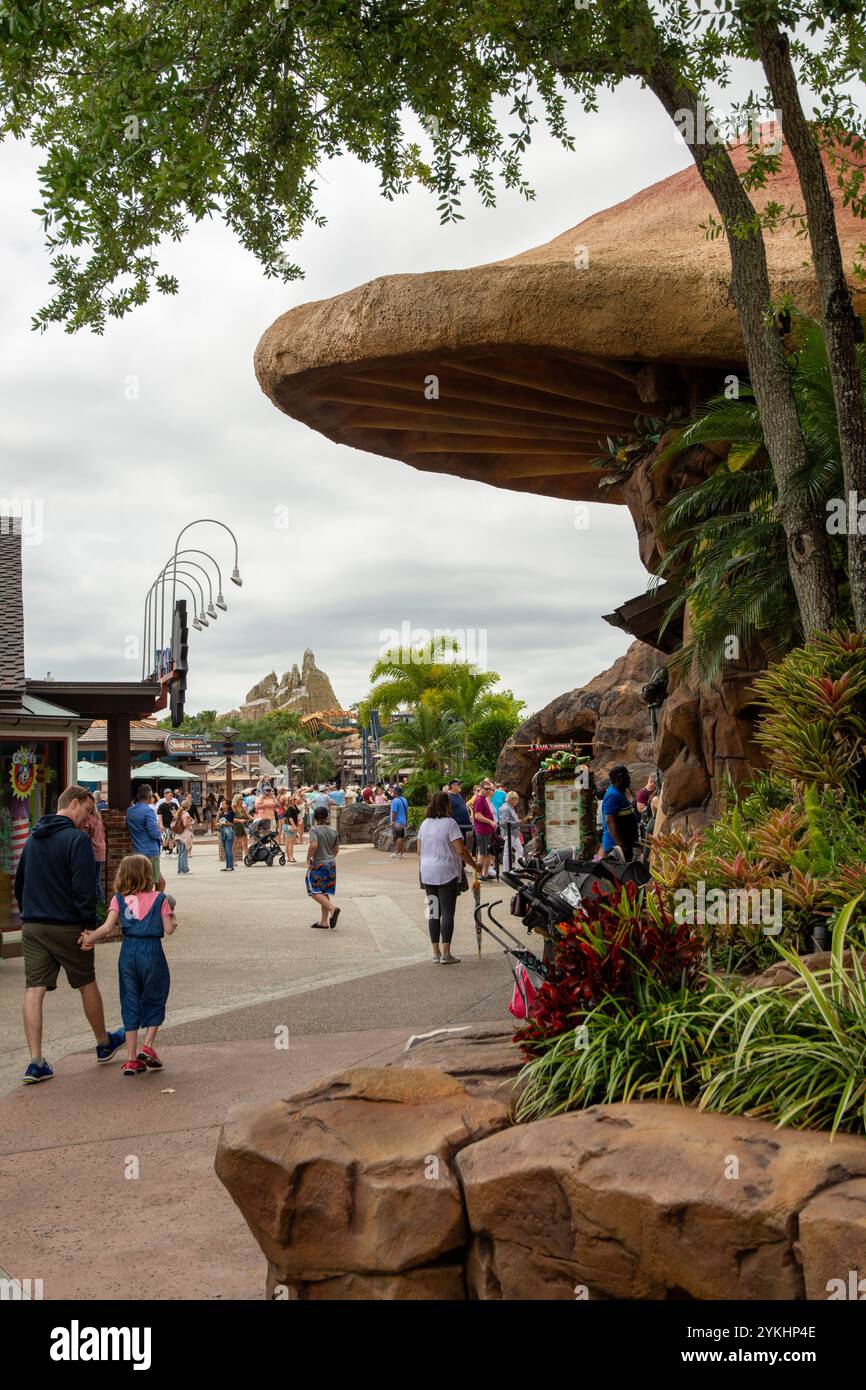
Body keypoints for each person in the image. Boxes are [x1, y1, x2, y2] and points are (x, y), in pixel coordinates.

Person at [14, 784, 125, 1084]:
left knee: (34, 989)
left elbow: (20, 883)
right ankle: (103, 1043)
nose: (88, 820)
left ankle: (36, 1061)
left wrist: (28, 914)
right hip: (68, 926)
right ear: (73, 803)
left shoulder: (32, 839)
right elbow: (84, 889)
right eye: (87, 811)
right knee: (86, 982)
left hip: (33, 925)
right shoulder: (77, 841)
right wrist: (89, 927)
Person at [79, 853, 176, 1077]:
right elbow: (169, 929)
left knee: (130, 998)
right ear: (147, 875)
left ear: (123, 875)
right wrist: (173, 918)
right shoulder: (160, 899)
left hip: (128, 951)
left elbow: (107, 927)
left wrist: (89, 939)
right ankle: (148, 1045)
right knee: (156, 994)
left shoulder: (118, 899)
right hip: (152, 951)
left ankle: (131, 1059)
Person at [417, 791, 479, 965]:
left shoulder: (424, 824)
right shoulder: (450, 824)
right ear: (447, 805)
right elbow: (461, 850)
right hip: (447, 872)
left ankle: (435, 952)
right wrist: (475, 866)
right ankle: (446, 953)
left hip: (427, 872)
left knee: (433, 912)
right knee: (447, 913)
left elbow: (419, 850)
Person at [306, 806, 340, 929]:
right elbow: (336, 849)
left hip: (319, 863)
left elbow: (314, 845)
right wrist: (330, 858)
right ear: (327, 817)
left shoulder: (314, 830)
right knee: (324, 891)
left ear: (315, 817)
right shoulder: (333, 830)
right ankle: (324, 922)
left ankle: (332, 908)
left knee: (313, 890)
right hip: (331, 863)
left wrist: (308, 858)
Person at [127, 783, 165, 890]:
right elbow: (153, 833)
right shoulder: (148, 811)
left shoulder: (130, 810)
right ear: (149, 796)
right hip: (150, 851)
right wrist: (160, 831)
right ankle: (155, 900)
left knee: (148, 882)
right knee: (153, 884)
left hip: (137, 851)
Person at [601, 765, 640, 860]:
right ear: (619, 779)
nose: (629, 779)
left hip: (624, 845)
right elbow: (609, 822)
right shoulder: (613, 796)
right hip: (616, 848)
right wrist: (621, 846)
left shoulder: (619, 793)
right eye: (627, 776)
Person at [472, 780, 498, 881]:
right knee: (483, 853)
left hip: (487, 831)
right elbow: (477, 816)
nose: (488, 791)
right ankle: (479, 875)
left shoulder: (483, 799)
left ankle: (485, 874)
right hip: (482, 831)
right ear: (481, 788)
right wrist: (490, 821)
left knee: (488, 853)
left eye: (490, 789)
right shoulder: (479, 799)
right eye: (486, 789)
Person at [81, 801, 107, 904]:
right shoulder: (98, 818)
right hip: (101, 851)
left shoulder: (88, 819)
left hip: (93, 851)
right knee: (97, 878)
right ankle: (101, 902)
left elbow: (82, 835)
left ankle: (99, 902)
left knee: (94, 879)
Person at [499, 791, 525, 871]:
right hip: (509, 833)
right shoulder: (506, 808)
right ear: (512, 799)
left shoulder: (510, 807)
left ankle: (518, 867)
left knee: (519, 849)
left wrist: (517, 828)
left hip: (513, 832)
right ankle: (506, 870)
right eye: (516, 799)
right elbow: (504, 823)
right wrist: (516, 822)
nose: (517, 801)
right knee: (508, 851)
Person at [172, 797, 194, 874]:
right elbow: (185, 824)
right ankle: (184, 869)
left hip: (178, 835)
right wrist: (191, 823)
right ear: (188, 807)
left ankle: (180, 869)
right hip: (184, 835)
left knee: (180, 853)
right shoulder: (186, 814)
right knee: (184, 853)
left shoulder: (179, 813)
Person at [389, 784, 409, 858]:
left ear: (396, 792)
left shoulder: (395, 801)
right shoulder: (405, 800)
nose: (392, 792)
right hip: (403, 821)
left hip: (397, 822)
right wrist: (406, 821)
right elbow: (406, 812)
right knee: (402, 838)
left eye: (394, 791)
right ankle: (402, 854)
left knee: (398, 838)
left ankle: (397, 852)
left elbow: (394, 812)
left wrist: (392, 822)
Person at [217, 797, 236, 871]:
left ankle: (231, 866)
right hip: (223, 832)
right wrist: (218, 813)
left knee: (229, 850)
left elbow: (231, 823)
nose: (222, 805)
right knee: (225, 851)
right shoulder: (221, 813)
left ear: (228, 805)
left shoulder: (231, 812)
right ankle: (227, 866)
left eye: (224, 803)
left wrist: (225, 823)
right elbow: (217, 821)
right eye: (222, 803)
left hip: (229, 832)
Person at [283, 794, 301, 862]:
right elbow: (290, 818)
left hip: (288, 826)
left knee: (288, 843)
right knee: (290, 844)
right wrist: (294, 826)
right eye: (293, 800)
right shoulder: (290, 808)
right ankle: (291, 857)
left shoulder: (294, 807)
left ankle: (288, 857)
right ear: (290, 801)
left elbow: (297, 813)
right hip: (289, 826)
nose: (295, 800)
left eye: (295, 799)